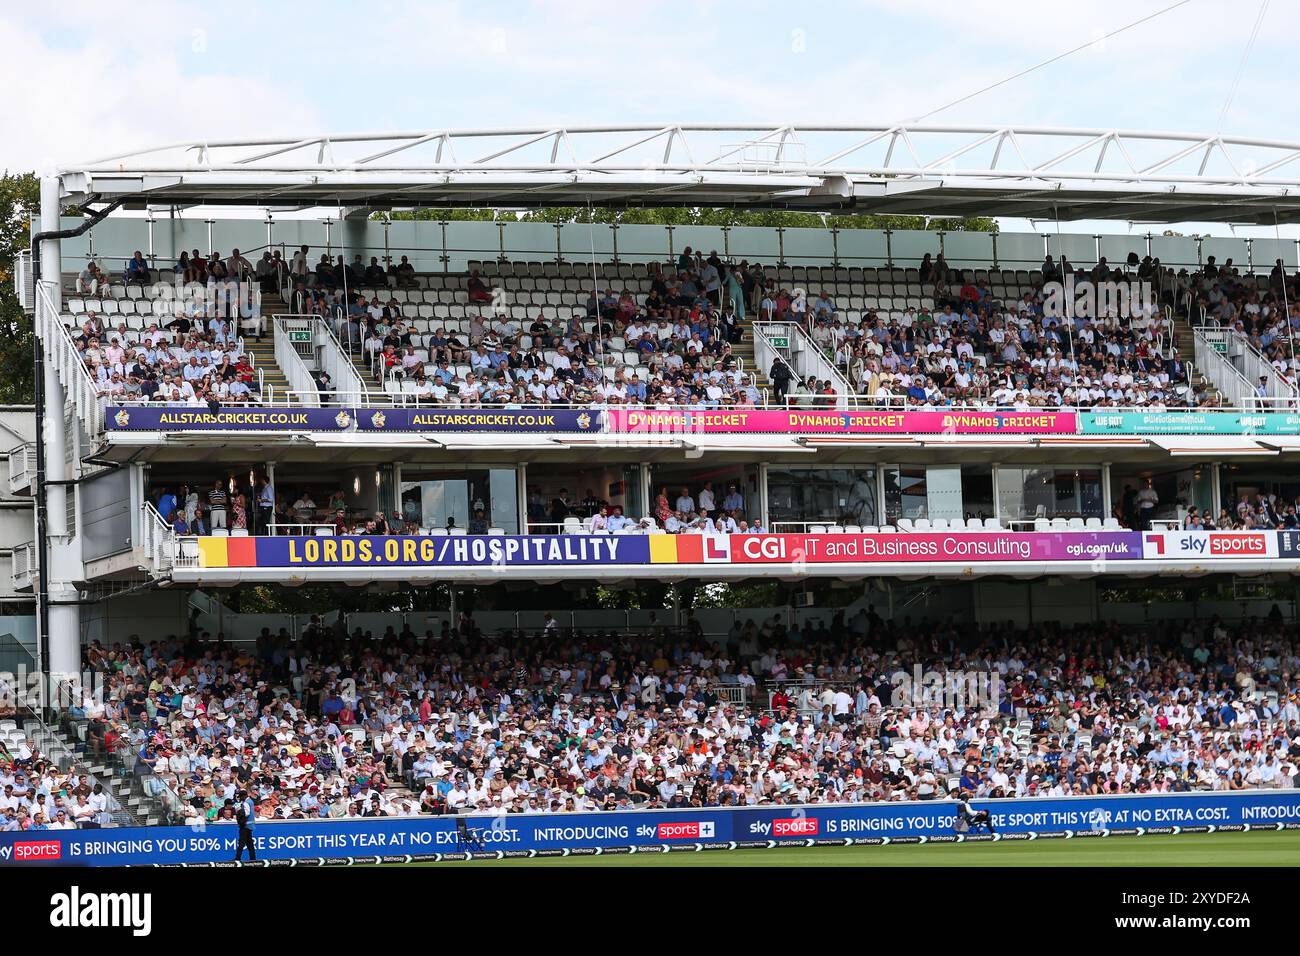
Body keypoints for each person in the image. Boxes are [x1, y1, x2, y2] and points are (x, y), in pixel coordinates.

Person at [234, 789, 257, 861]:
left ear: (243, 796)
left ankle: (237, 858)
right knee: (250, 843)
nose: (240, 799)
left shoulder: (246, 803)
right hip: (250, 825)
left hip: (245, 826)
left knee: (241, 842)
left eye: (240, 797)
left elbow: (246, 813)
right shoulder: (251, 801)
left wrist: (239, 812)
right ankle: (253, 858)